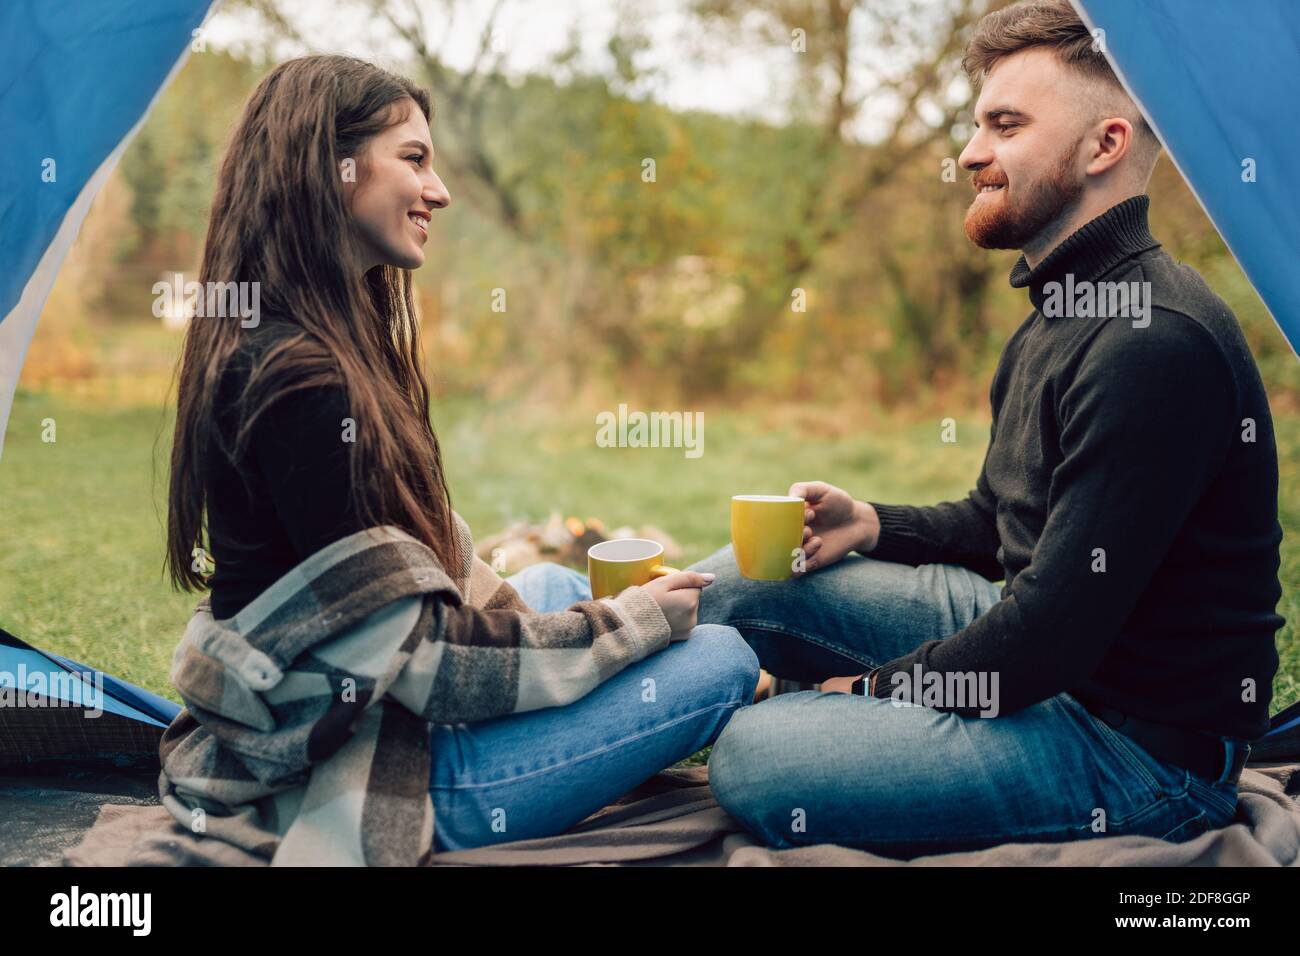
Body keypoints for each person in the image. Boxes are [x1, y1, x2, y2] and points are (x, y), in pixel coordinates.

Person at [692, 0, 1284, 857]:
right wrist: (873, 525)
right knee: (737, 582)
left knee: (754, 758)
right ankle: (573, 695)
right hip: (1043, 646)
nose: (971, 154)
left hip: (1133, 747)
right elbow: (998, 520)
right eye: (977, 125)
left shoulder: (1153, 343)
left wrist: (871, 693)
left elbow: (1043, 645)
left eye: (1004, 126)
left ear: (1104, 145)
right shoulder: (1062, 306)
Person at [163, 54, 758, 853]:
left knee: (546, 580)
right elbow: (429, 662)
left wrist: (609, 624)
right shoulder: (301, 384)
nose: (438, 191)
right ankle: (773, 679)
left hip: (344, 703)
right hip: (358, 771)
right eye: (413, 159)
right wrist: (630, 625)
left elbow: (400, 601)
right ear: (330, 167)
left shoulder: (297, 341)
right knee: (718, 655)